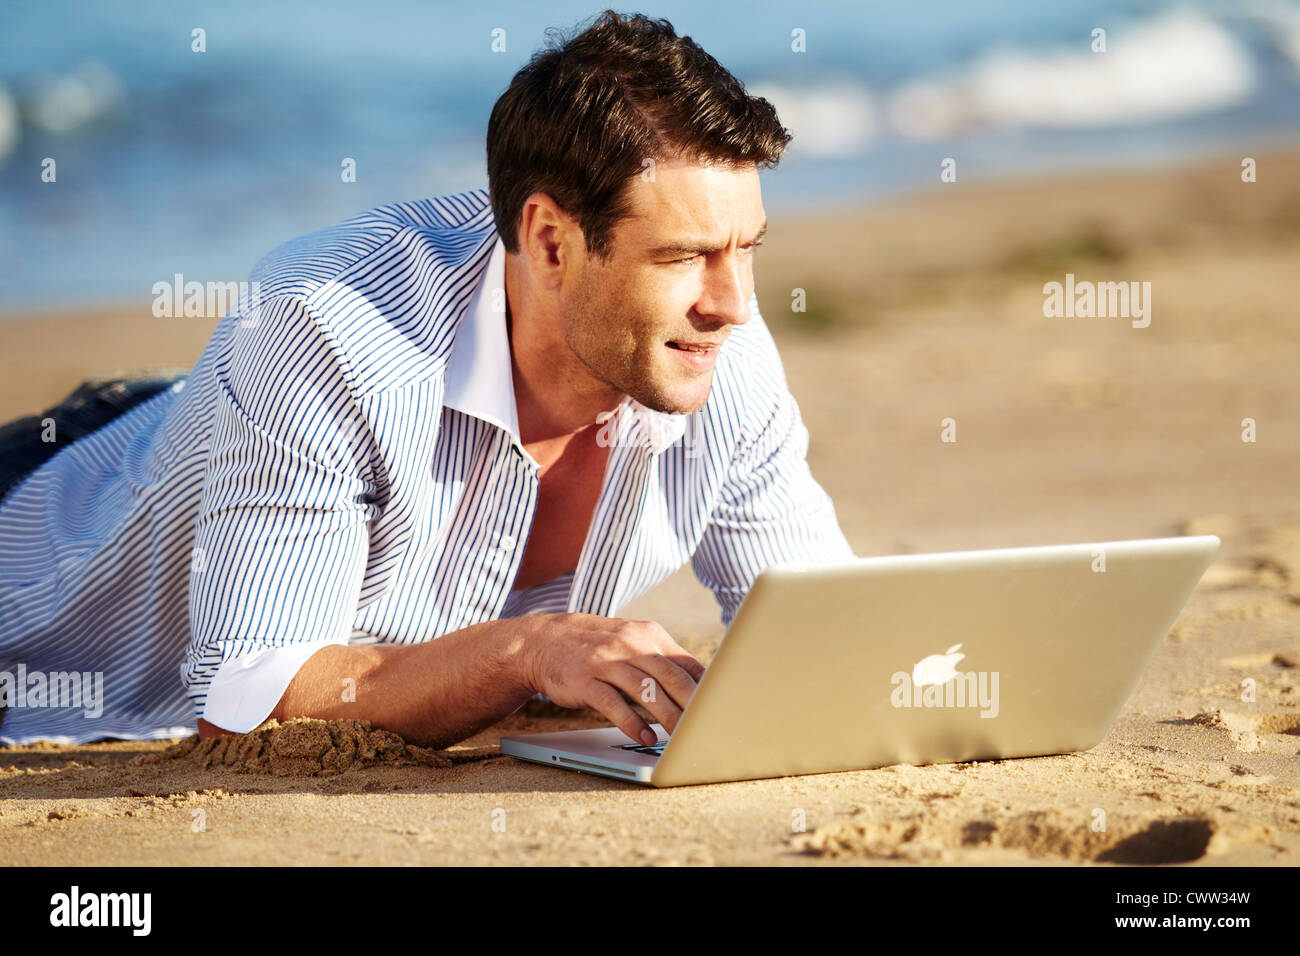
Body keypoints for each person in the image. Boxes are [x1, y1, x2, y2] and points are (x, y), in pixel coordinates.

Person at [0, 10, 854, 749]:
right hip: (49, 529)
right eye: (684, 256)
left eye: (748, 249)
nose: (735, 303)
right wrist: (528, 649)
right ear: (551, 243)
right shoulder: (323, 326)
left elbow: (826, 627)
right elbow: (246, 701)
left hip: (227, 414)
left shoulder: (716, 350)